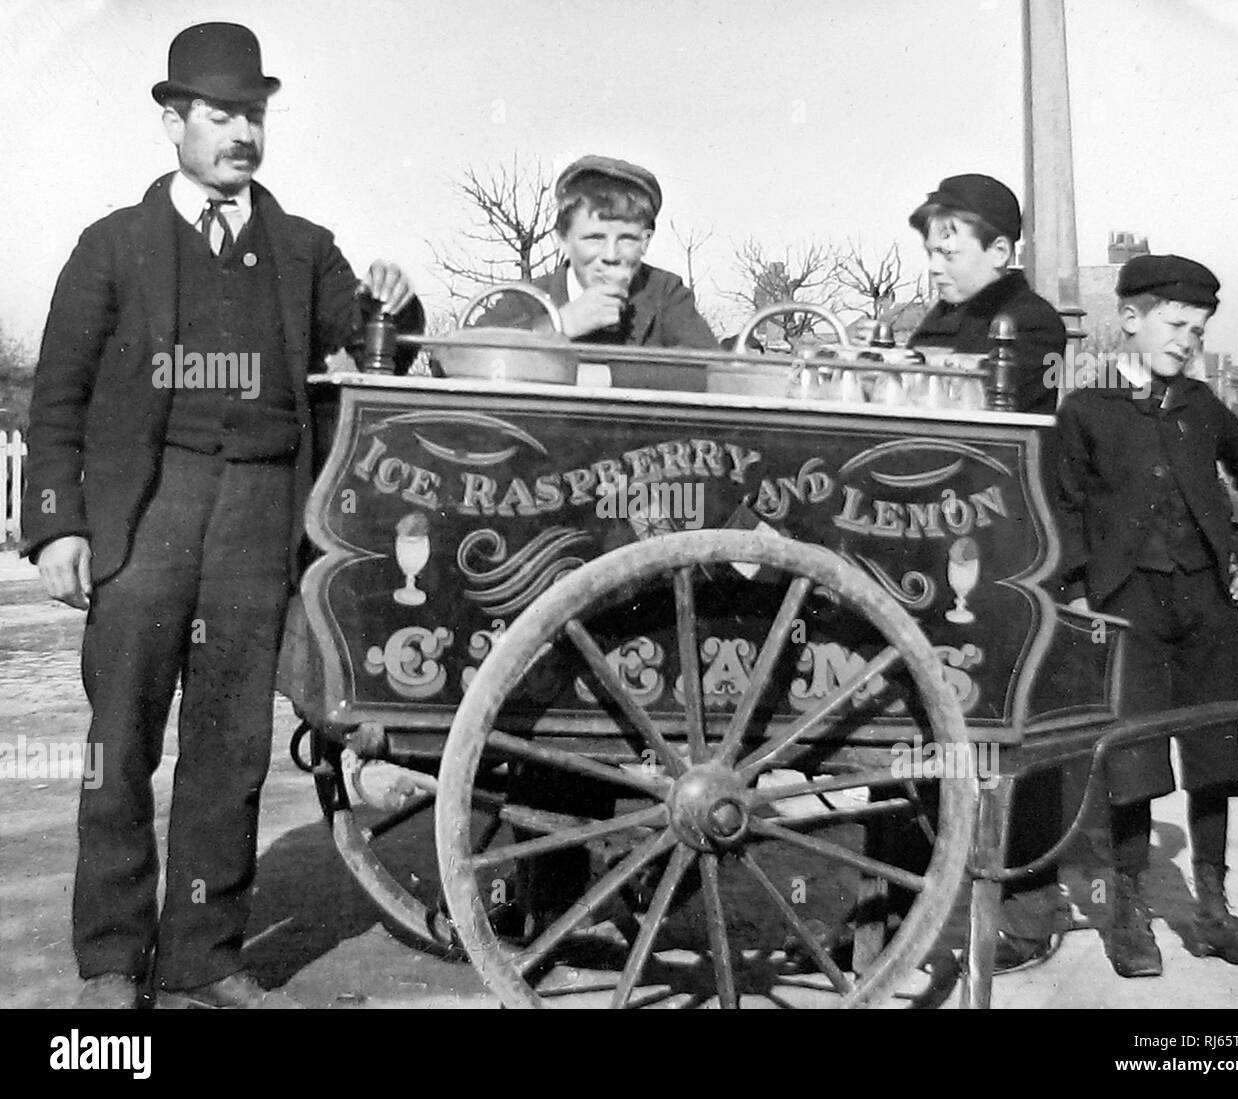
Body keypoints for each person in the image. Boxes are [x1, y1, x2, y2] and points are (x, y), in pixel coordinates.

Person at [20, 21, 421, 1009]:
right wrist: (58, 523)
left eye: (253, 114)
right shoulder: (111, 247)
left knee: (229, 749)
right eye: (218, 114)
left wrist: (397, 306)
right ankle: (113, 966)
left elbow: (372, 355)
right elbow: (57, 395)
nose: (240, 132)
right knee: (121, 746)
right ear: (172, 122)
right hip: (146, 515)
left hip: (257, 519)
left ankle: (204, 959)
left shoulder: (303, 249)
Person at [1054, 254, 1238, 977]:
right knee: (1134, 753)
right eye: (1177, 324)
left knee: (1214, 755)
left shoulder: (1205, 408)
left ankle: (1212, 911)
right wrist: (1083, 590)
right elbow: (1062, 509)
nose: (1188, 340)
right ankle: (1129, 913)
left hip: (1210, 603)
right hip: (1129, 610)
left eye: (1200, 329)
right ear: (1131, 319)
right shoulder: (1086, 411)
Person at [906, 172, 1071, 973]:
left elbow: (1007, 443)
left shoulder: (1026, 323)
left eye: (950, 247)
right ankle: (942, 893)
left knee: (1010, 730)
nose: (935, 262)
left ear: (1001, 250)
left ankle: (1030, 911)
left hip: (1000, 552)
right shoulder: (944, 315)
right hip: (939, 545)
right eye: (929, 247)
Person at [479, 155, 717, 355]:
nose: (611, 255)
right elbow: (460, 353)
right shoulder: (528, 298)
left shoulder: (665, 293)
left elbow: (708, 369)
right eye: (594, 238)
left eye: (627, 239)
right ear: (562, 239)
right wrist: (558, 325)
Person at [906, 173, 1067, 415]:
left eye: (948, 254)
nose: (934, 268)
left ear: (998, 252)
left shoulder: (1034, 322)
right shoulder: (941, 317)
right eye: (931, 254)